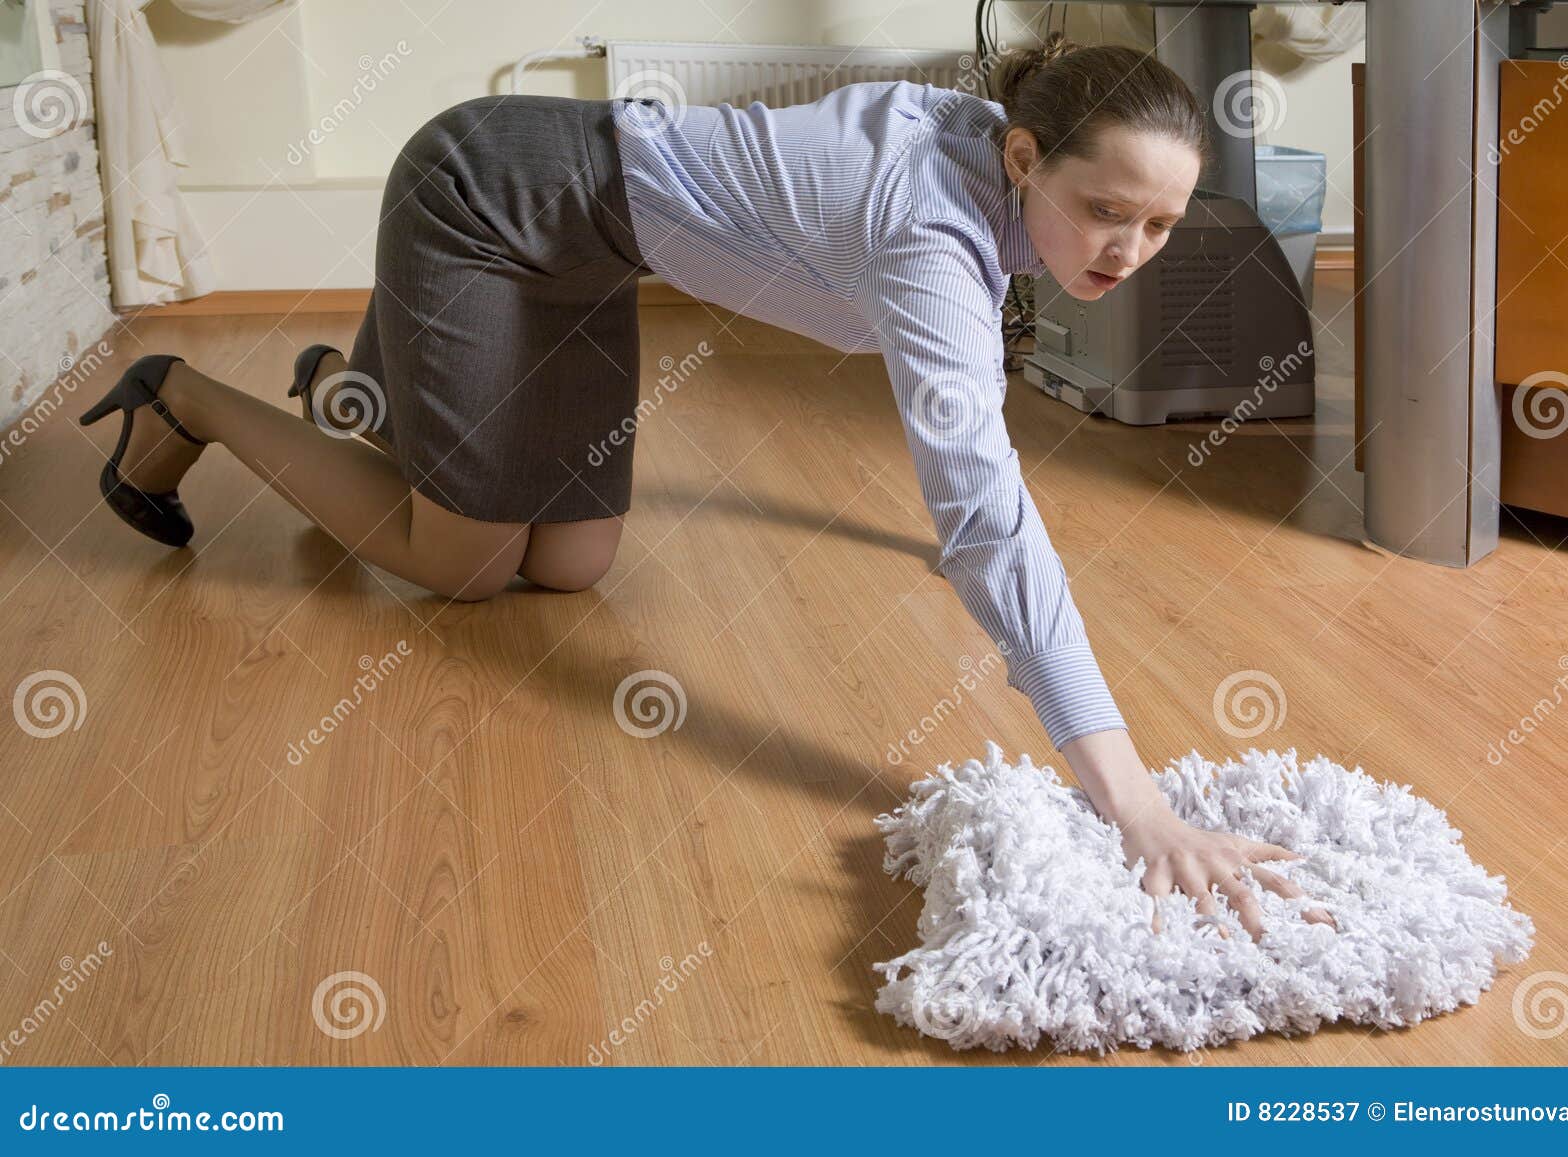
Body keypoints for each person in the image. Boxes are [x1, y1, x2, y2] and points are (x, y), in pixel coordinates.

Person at [79, 33, 1334, 941]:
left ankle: (360, 397)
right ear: (1022, 157)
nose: (1127, 249)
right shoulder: (930, 232)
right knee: (463, 567)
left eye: (1160, 225)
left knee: (569, 564)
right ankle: (184, 396)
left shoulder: (995, 162)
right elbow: (987, 517)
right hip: (488, 196)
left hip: (590, 247)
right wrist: (1133, 800)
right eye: (1104, 209)